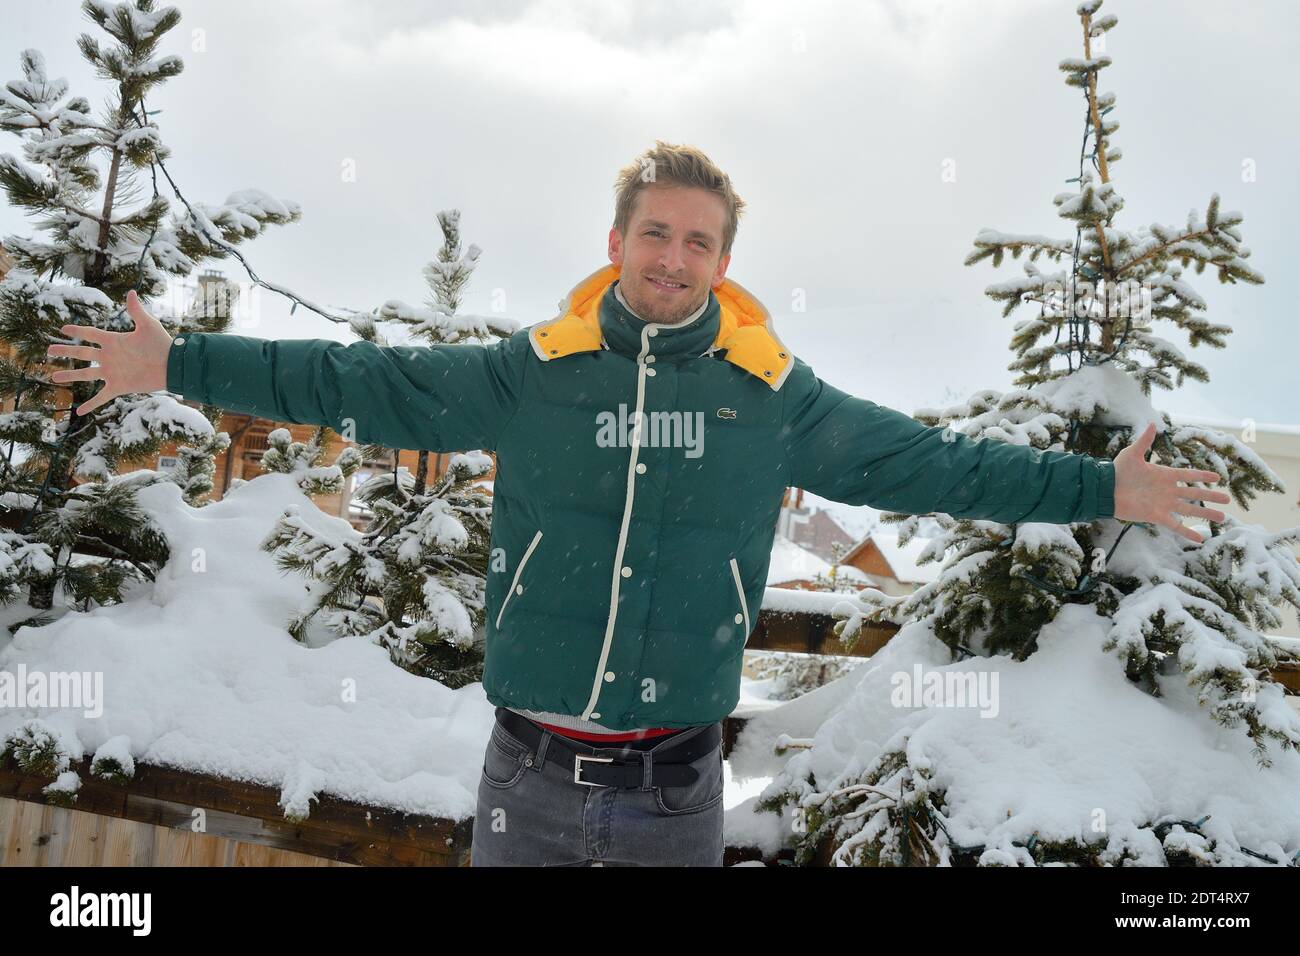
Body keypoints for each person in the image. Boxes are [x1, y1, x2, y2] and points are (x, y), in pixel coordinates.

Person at [44, 141, 1229, 867]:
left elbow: (932, 461)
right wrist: (177, 362)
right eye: (655, 231)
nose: (673, 255)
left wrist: (1101, 485)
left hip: (676, 787)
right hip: (522, 771)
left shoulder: (773, 396)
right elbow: (365, 381)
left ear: (723, 261)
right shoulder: (535, 370)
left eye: (698, 241)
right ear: (616, 241)